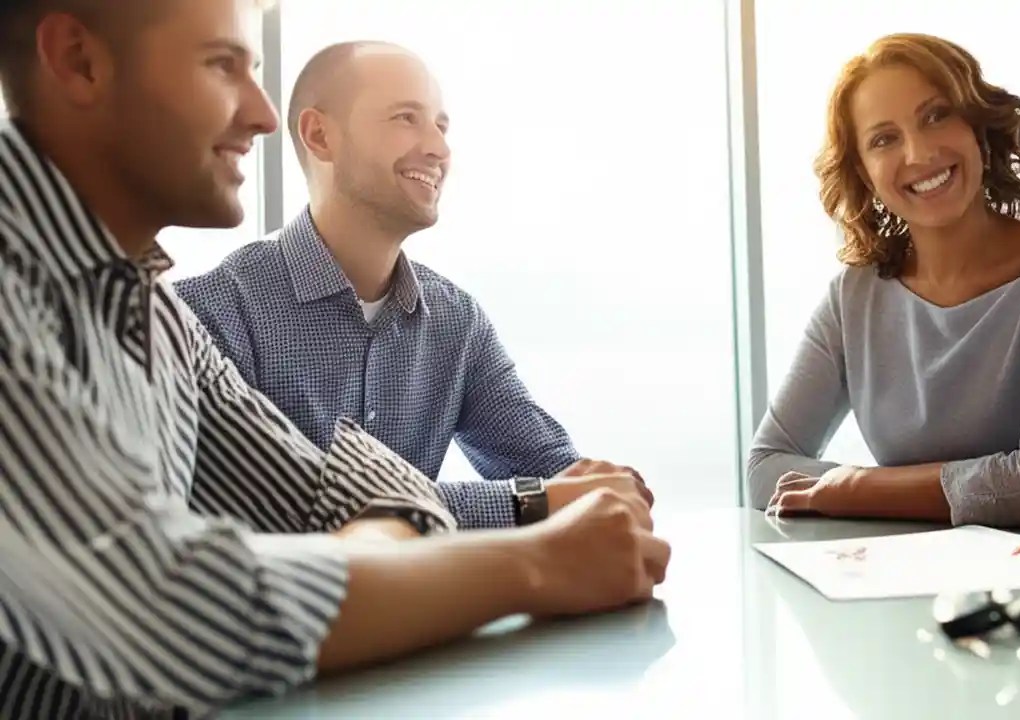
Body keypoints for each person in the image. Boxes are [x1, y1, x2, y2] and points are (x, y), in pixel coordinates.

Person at [0, 1, 668, 717]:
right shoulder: (57, 300)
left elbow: (329, 496)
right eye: (222, 65)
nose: (262, 115)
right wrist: (540, 560)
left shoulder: (157, 315)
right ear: (79, 60)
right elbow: (173, 609)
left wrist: (359, 539)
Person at [173, 41, 646, 530]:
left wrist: (601, 489)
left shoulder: (455, 321)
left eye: (441, 126)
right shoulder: (208, 315)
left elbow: (554, 472)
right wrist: (535, 502)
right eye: (406, 118)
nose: (439, 148)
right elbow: (306, 514)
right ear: (320, 136)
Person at [748, 33, 1020, 526]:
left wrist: (850, 486)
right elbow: (766, 468)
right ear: (864, 173)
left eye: (936, 115)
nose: (918, 153)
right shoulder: (854, 297)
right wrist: (886, 491)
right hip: (914, 581)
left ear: (977, 124)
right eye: (884, 139)